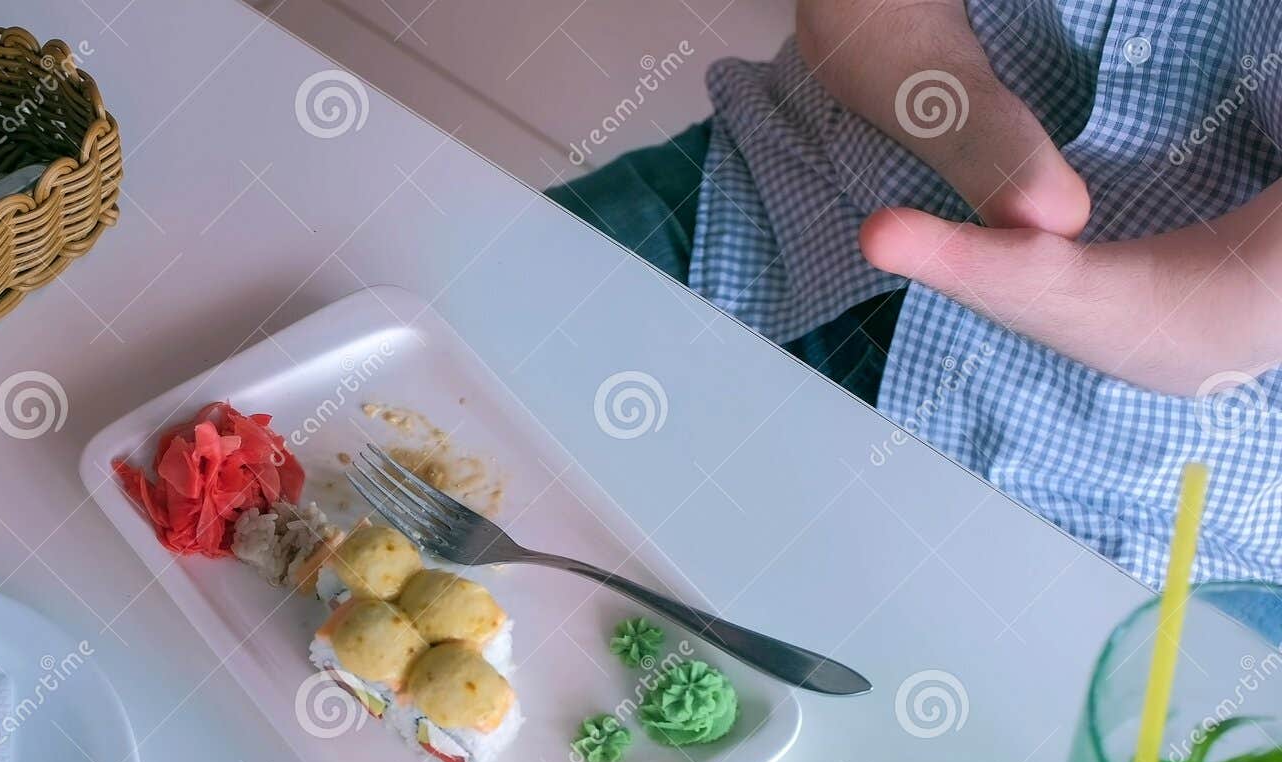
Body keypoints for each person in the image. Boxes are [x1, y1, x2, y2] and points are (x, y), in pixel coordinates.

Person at [546, 0, 1282, 588]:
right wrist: (993, 153)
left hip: (1121, 501)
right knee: (445, 370)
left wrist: (1025, 276)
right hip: (773, 205)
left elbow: (1236, 307)